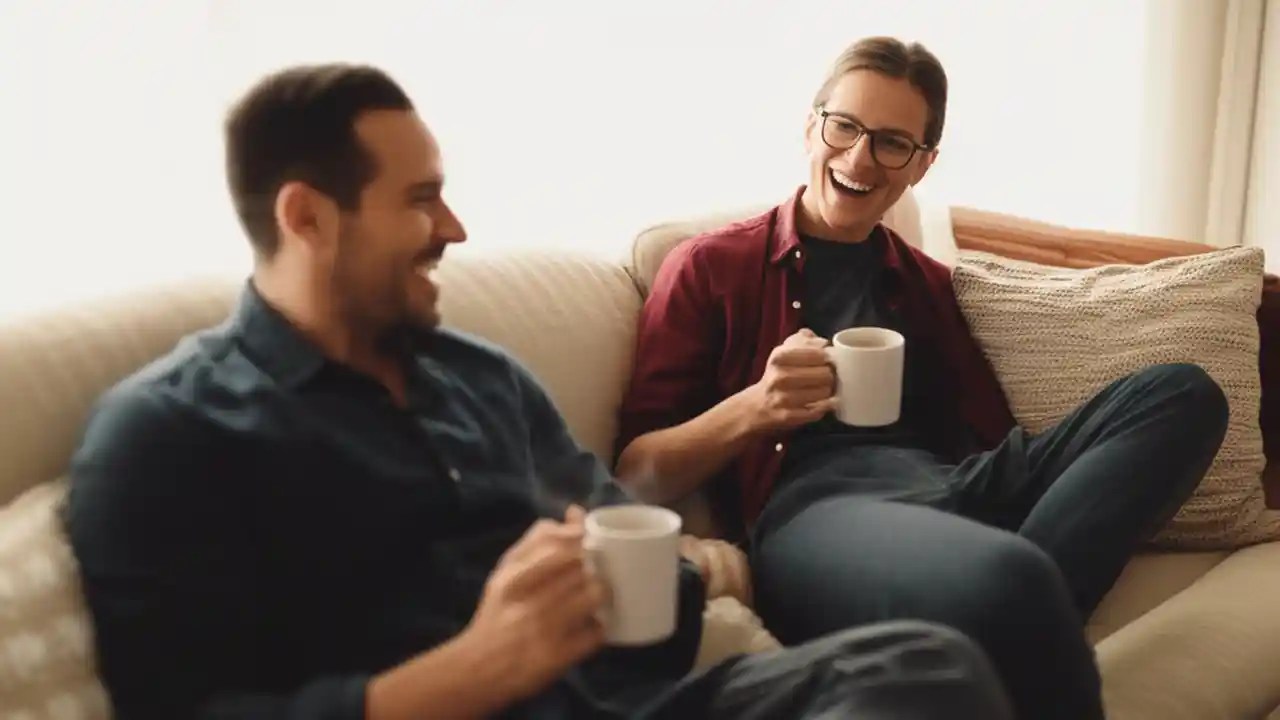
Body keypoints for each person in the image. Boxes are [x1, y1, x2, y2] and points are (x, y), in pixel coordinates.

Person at [64, 64, 1016, 720]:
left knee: (924, 669)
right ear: (307, 217)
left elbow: (634, 562)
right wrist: (474, 668)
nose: (456, 227)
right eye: (419, 199)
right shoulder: (171, 432)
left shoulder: (481, 381)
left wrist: (672, 579)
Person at [615, 36, 1231, 720]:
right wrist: (757, 408)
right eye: (843, 126)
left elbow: (995, 435)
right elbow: (636, 474)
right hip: (818, 513)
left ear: (922, 165)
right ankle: (1014, 608)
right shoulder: (711, 267)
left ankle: (1000, 616)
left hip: (953, 488)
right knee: (1015, 574)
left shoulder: (925, 282)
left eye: (891, 142)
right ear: (810, 125)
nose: (858, 158)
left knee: (1183, 393)